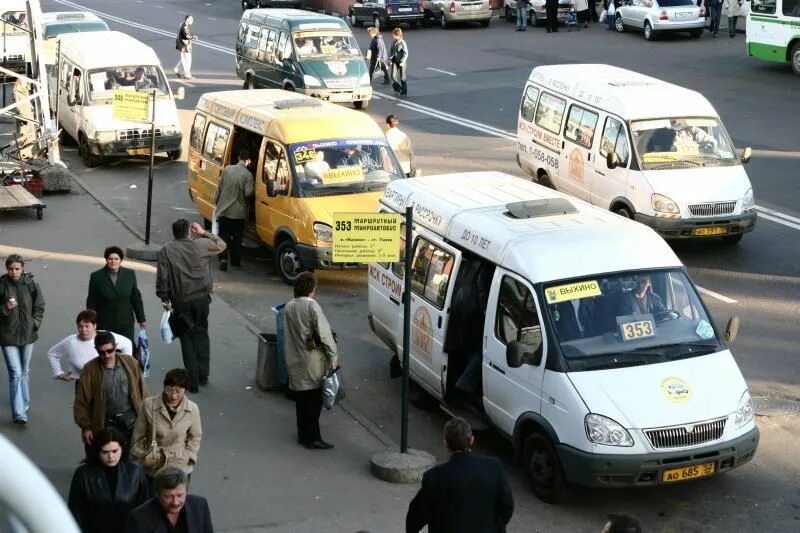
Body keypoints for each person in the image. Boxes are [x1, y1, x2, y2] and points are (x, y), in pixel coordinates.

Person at [406, 418, 514, 533]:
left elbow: (415, 517)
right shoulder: (494, 467)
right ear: (472, 440)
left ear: (446, 443)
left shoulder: (435, 477)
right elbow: (507, 506)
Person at [156, 219, 226, 393]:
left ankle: (192, 381)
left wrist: (164, 298)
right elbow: (221, 244)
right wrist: (203, 232)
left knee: (186, 338)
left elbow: (163, 277)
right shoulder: (201, 245)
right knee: (201, 333)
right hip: (202, 298)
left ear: (174, 232)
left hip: (181, 301)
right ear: (189, 231)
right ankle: (203, 374)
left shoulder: (167, 250)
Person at [284, 272, 338, 450]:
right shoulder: (312, 306)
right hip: (312, 360)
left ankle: (303, 434)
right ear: (311, 289)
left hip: (295, 358)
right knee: (314, 401)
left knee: (301, 401)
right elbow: (324, 334)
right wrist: (333, 357)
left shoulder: (289, 306)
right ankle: (313, 438)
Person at [74, 330, 149, 454]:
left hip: (131, 421)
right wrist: (86, 427)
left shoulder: (130, 363)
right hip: (106, 423)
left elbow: (143, 391)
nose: (107, 355)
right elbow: (82, 400)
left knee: (133, 458)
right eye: (102, 352)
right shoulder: (90, 370)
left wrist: (148, 418)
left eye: (110, 351)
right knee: (107, 458)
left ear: (116, 347)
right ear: (96, 350)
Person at [68, 427, 151, 533]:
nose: (111, 456)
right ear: (98, 451)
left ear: (122, 449)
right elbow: (75, 511)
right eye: (105, 452)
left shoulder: (135, 472)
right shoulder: (83, 474)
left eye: (115, 451)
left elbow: (144, 509)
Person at [131, 369, 203, 481]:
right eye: (169, 390)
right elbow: (137, 437)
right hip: (153, 467)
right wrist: (144, 455)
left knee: (177, 498)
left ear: (185, 390)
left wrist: (189, 455)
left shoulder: (192, 409)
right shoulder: (149, 405)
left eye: (178, 391)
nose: (173, 396)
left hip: (180, 466)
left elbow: (195, 437)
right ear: (164, 387)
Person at [0, 254, 45, 425]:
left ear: (22, 268)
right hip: (7, 335)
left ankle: (24, 402)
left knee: (24, 370)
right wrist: (5, 307)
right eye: (10, 269)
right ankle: (19, 413)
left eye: (17, 269)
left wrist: (34, 324)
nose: (13, 272)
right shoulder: (2, 286)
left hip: (28, 335)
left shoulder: (31, 284)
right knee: (15, 373)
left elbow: (40, 305)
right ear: (7, 269)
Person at [48, 309, 133, 382]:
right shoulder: (71, 341)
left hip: (107, 382)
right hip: (83, 384)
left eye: (87, 326)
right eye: (80, 326)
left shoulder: (105, 336)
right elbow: (52, 353)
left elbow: (127, 343)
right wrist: (58, 373)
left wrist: (124, 367)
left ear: (95, 326)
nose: (83, 330)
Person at [126, 466, 214, 533]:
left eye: (180, 495)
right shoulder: (139, 518)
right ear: (157, 494)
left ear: (186, 491)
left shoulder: (200, 506)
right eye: (168, 497)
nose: (175, 502)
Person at [87, 246, 146, 342]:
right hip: (104, 323)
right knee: (106, 350)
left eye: (116, 259)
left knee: (126, 350)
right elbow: (92, 301)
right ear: (106, 260)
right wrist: (90, 321)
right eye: (110, 259)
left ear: (120, 260)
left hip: (125, 323)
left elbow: (135, 298)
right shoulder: (96, 277)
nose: (113, 261)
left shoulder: (129, 274)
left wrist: (141, 318)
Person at [213, 149, 254, 271]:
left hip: (224, 210)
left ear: (238, 157)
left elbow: (219, 188)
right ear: (248, 161)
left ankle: (223, 258)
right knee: (237, 238)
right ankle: (235, 262)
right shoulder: (248, 175)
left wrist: (217, 202)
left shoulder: (227, 169)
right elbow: (247, 193)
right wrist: (254, 190)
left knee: (223, 236)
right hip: (238, 213)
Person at [174, 15, 197, 79]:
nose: (192, 21)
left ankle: (177, 69)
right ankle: (187, 74)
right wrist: (193, 37)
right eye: (191, 19)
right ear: (187, 19)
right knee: (187, 60)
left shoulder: (182, 24)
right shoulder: (185, 26)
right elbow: (187, 36)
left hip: (183, 45)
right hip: (185, 46)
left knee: (184, 59)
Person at [389, 28, 409, 98]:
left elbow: (406, 54)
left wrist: (403, 62)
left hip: (401, 62)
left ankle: (404, 92)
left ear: (397, 35)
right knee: (393, 76)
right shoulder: (393, 42)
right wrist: (390, 59)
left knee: (402, 77)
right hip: (394, 61)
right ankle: (398, 89)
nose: (393, 36)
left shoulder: (402, 42)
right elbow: (391, 51)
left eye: (394, 35)